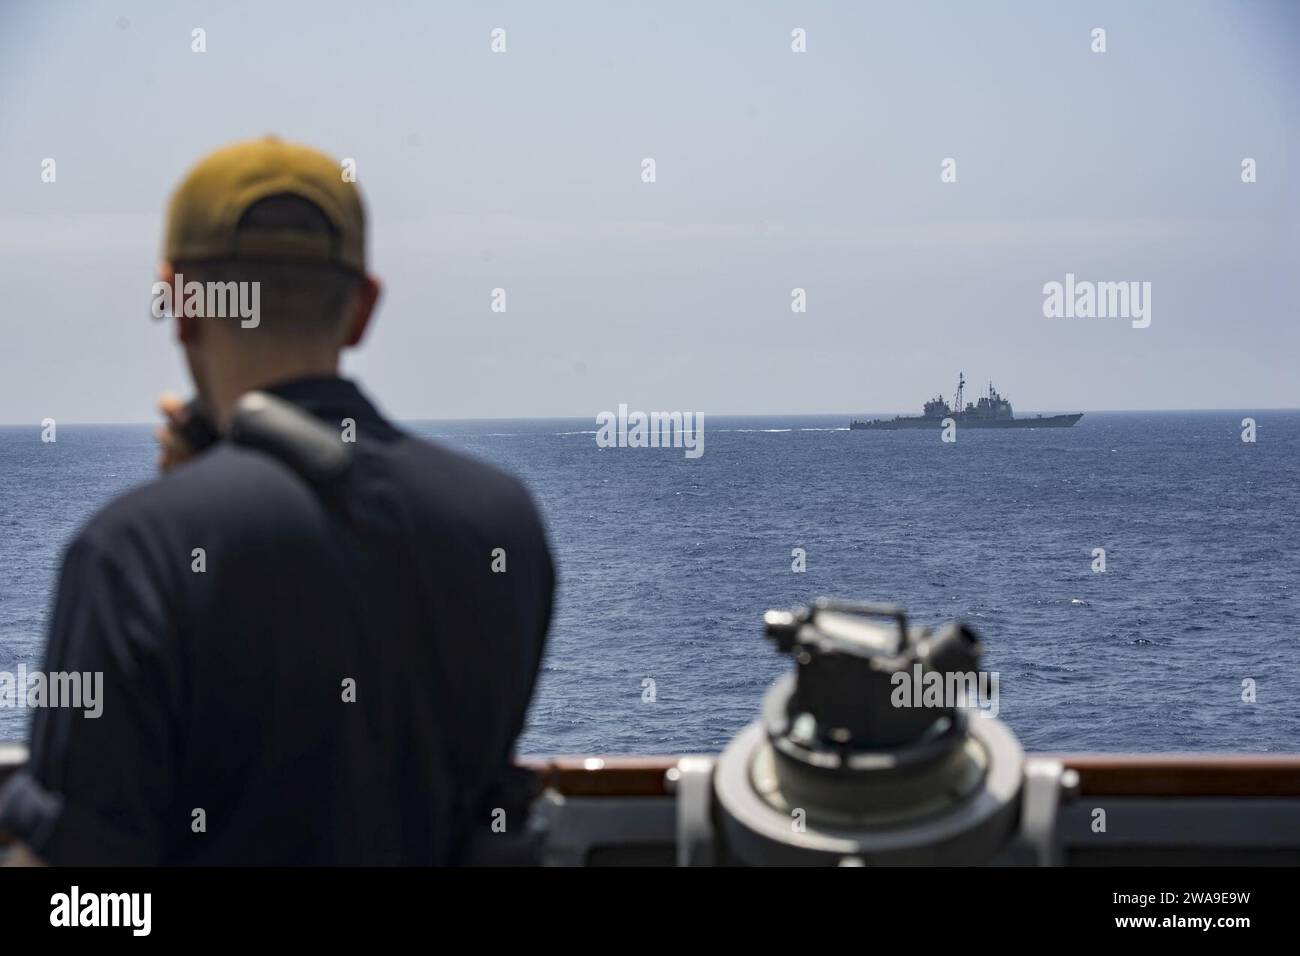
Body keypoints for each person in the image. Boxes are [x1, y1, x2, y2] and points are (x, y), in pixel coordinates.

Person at [0, 137, 555, 865]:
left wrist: (191, 515)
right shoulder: (503, 524)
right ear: (362, 310)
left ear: (179, 302)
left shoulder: (131, 552)